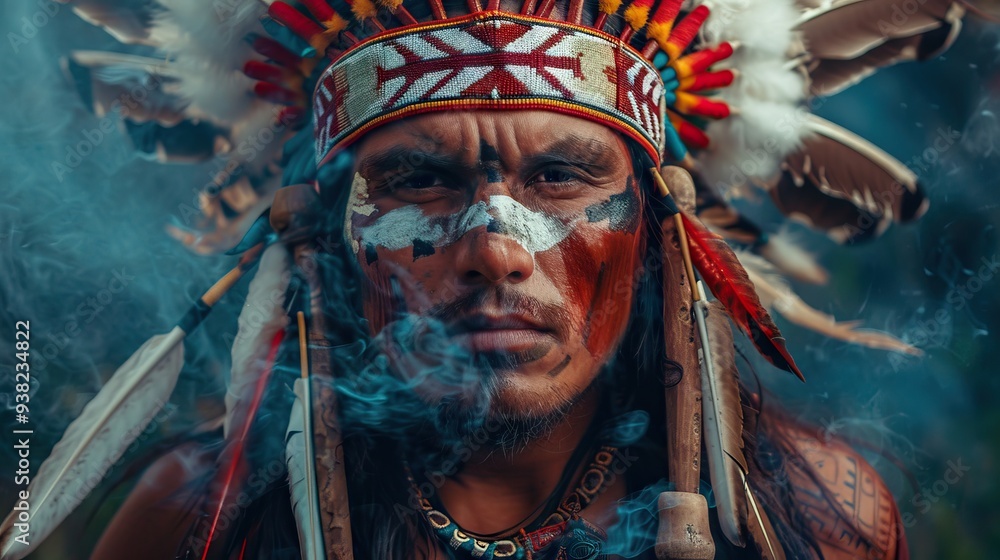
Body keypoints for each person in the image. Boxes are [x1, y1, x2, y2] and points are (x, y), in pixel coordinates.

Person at [3, 0, 963, 557]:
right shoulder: (191, 517)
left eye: (564, 175)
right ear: (330, 236)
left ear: (665, 231)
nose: (498, 248)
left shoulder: (822, 517)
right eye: (419, 179)